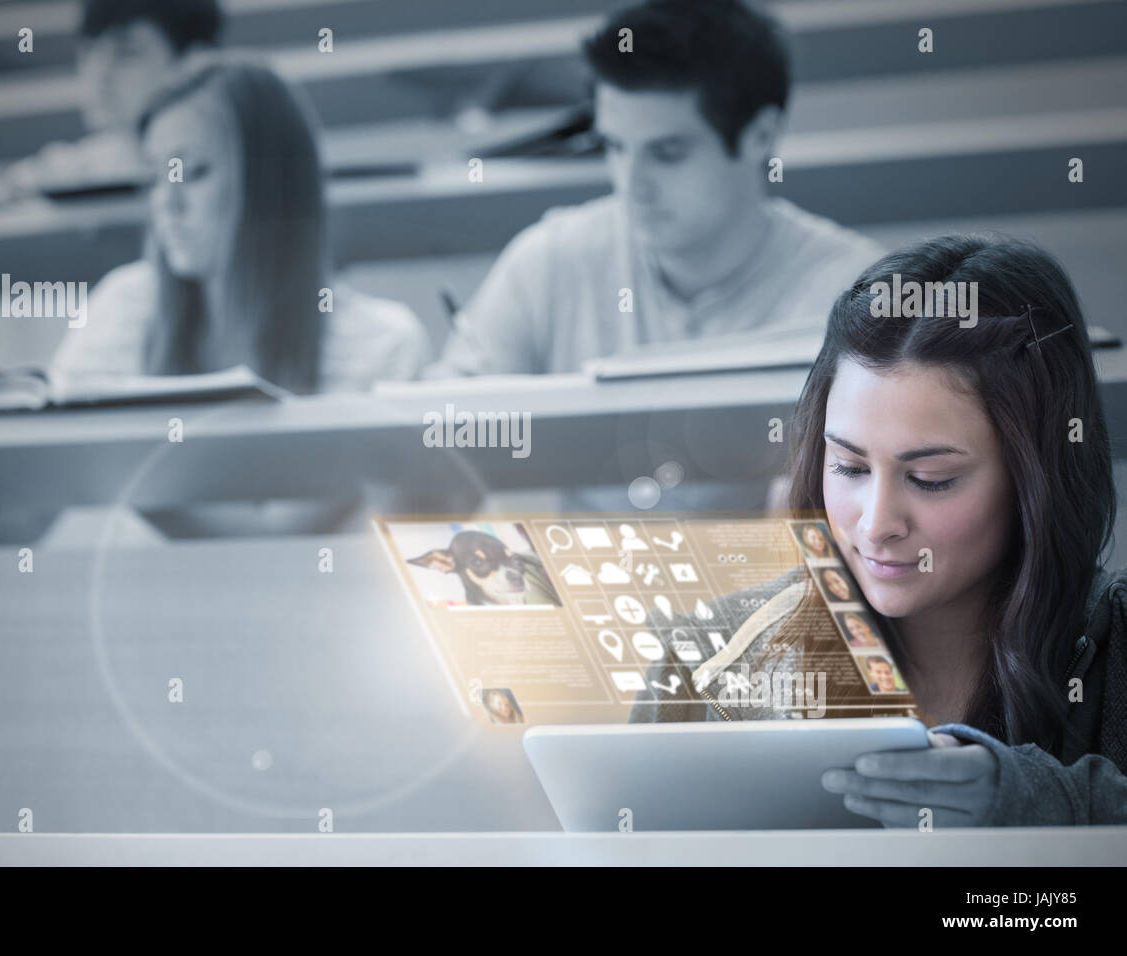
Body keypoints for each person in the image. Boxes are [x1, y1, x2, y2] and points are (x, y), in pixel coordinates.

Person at [634, 234, 1127, 826]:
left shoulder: (1114, 653)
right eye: (849, 467)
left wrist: (1029, 802)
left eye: (931, 477)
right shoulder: (708, 656)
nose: (875, 524)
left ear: (1037, 478)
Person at [424, 0, 881, 378]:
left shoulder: (852, 293)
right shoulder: (547, 263)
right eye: (616, 147)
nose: (631, 185)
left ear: (760, 136)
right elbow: (439, 451)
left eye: (667, 153)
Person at [50, 57, 429, 393]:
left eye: (194, 171)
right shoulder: (120, 312)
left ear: (272, 183)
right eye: (155, 178)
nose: (167, 203)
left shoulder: (380, 347)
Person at [0, 0, 224, 205]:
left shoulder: (228, 167)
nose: (98, 75)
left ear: (194, 61)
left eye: (126, 52)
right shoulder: (55, 174)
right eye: (89, 52)